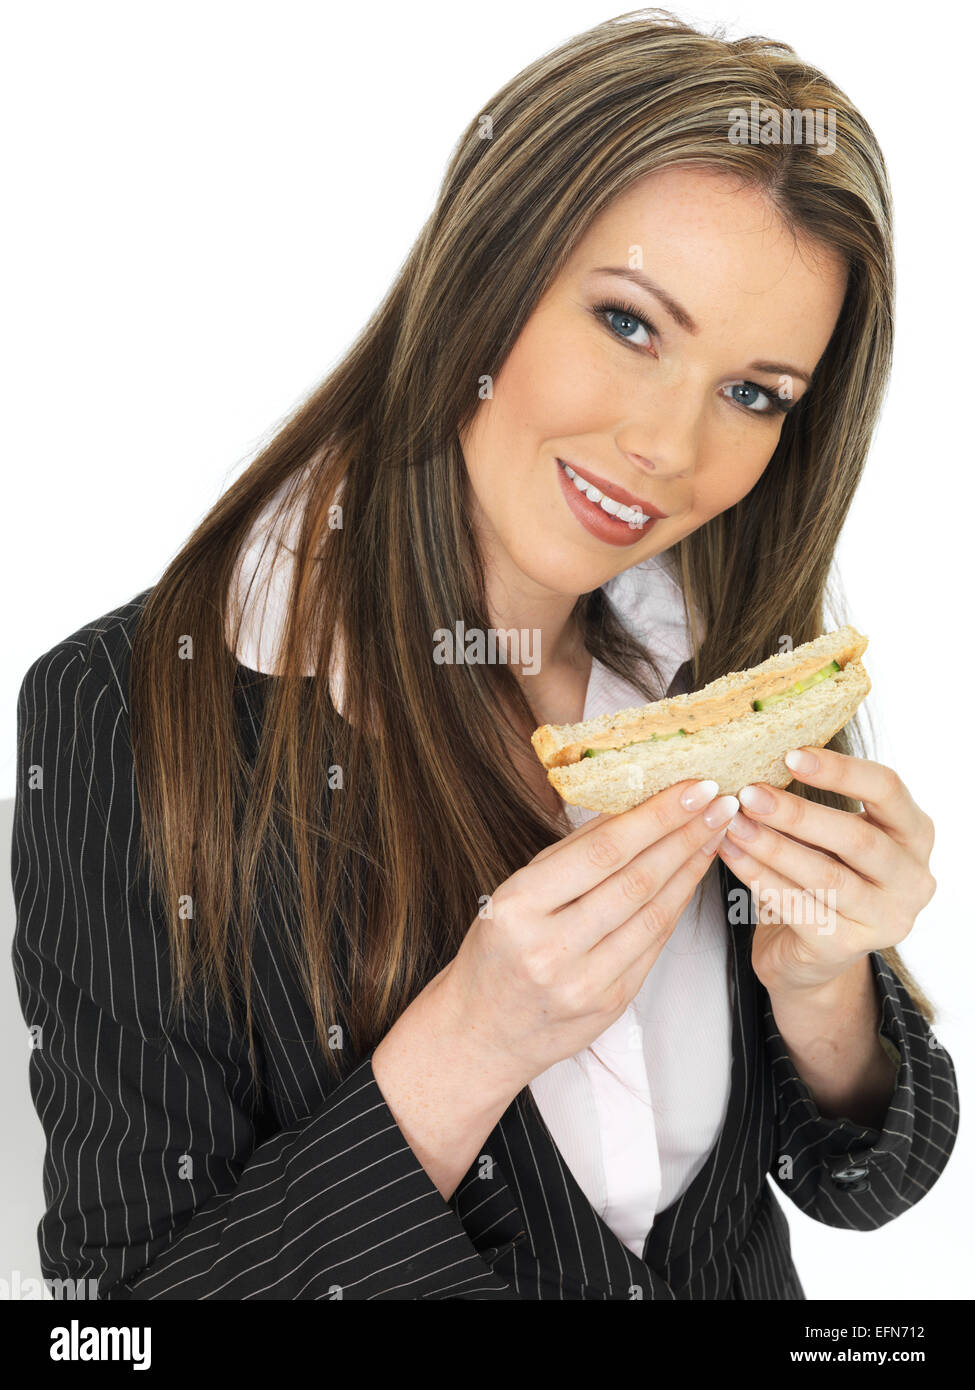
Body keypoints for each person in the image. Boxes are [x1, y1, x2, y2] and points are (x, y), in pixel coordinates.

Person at [11, 10, 957, 1300]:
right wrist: (468, 1046)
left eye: (755, 394)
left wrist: (824, 984)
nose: (669, 449)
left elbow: (861, 1179)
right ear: (483, 274)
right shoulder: (125, 708)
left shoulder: (732, 666)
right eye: (629, 324)